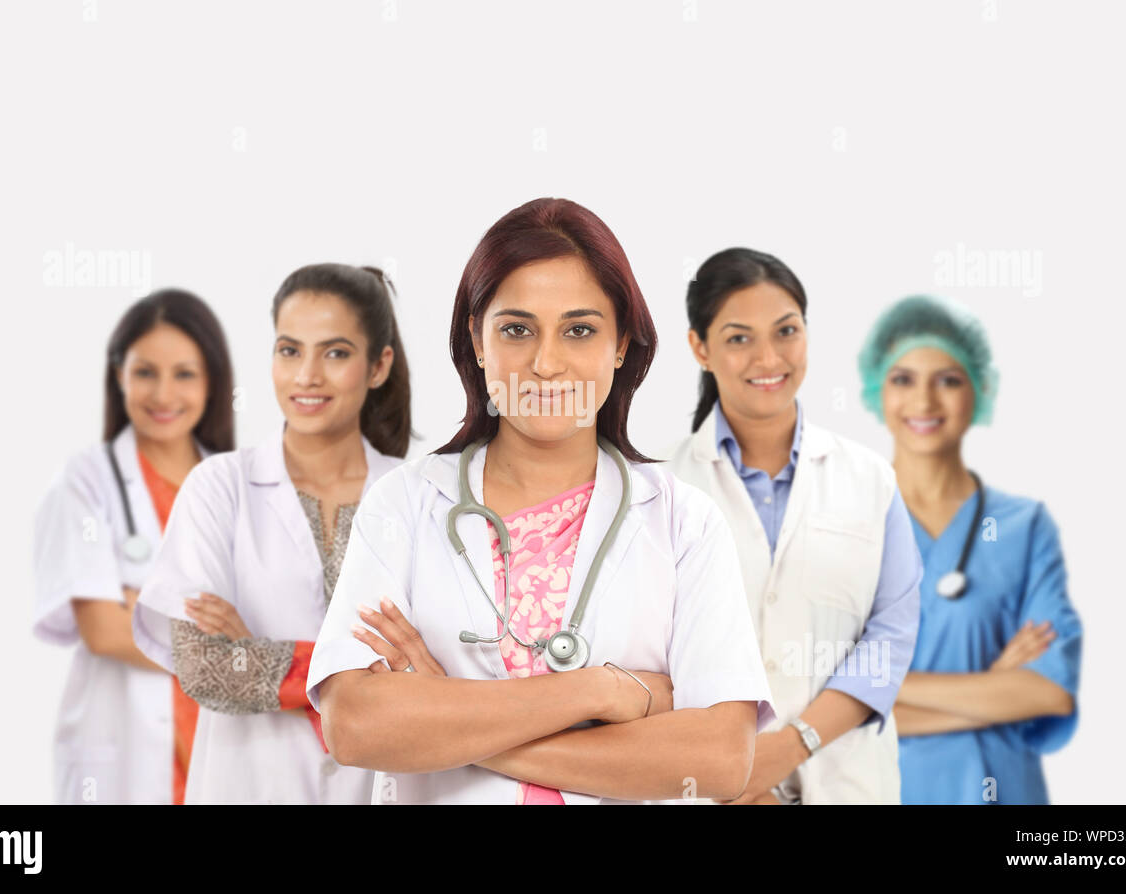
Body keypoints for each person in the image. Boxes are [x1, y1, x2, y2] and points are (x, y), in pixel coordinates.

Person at [306, 198, 775, 805]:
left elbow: (718, 758)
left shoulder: (683, 522)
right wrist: (600, 692)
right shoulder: (405, 506)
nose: (546, 364)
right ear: (477, 340)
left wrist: (449, 720)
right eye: (516, 329)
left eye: (579, 330)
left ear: (620, 345)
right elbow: (355, 724)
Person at [132, 263, 409, 803]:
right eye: (289, 350)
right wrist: (366, 680)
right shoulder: (220, 487)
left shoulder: (414, 495)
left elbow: (440, 681)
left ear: (378, 366)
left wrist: (260, 654)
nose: (306, 375)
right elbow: (207, 668)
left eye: (335, 353)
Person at [668, 248, 922, 804]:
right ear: (700, 348)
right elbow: (647, 651)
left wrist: (787, 749)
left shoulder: (870, 478)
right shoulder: (659, 487)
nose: (768, 357)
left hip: (847, 782)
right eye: (739, 338)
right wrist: (733, 776)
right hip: (708, 791)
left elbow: (890, 639)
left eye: (786, 331)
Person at [859, 294, 1081, 804]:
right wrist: (993, 687)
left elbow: (1048, 691)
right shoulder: (849, 523)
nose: (925, 401)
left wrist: (887, 683)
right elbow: (814, 700)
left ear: (978, 390)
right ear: (878, 390)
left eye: (949, 379)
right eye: (903, 378)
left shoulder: (1025, 527)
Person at [32, 288, 235, 804]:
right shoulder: (87, 480)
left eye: (184, 373)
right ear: (118, 375)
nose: (163, 394)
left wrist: (136, 606)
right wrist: (224, 644)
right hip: (124, 757)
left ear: (211, 381)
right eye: (145, 372)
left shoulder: (235, 483)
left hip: (216, 747)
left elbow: (269, 621)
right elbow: (101, 629)